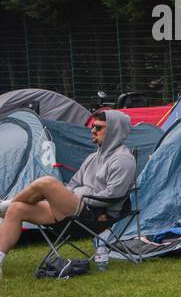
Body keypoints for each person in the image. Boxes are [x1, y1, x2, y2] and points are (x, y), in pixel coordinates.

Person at [0, 110, 136, 280]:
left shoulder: (123, 159)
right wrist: (66, 197)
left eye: (98, 127)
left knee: (47, 182)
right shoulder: (93, 158)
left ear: (114, 131)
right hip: (75, 208)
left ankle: (4, 205)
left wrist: (80, 197)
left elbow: (114, 195)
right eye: (92, 126)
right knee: (17, 209)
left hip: (96, 213)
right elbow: (73, 184)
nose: (92, 130)